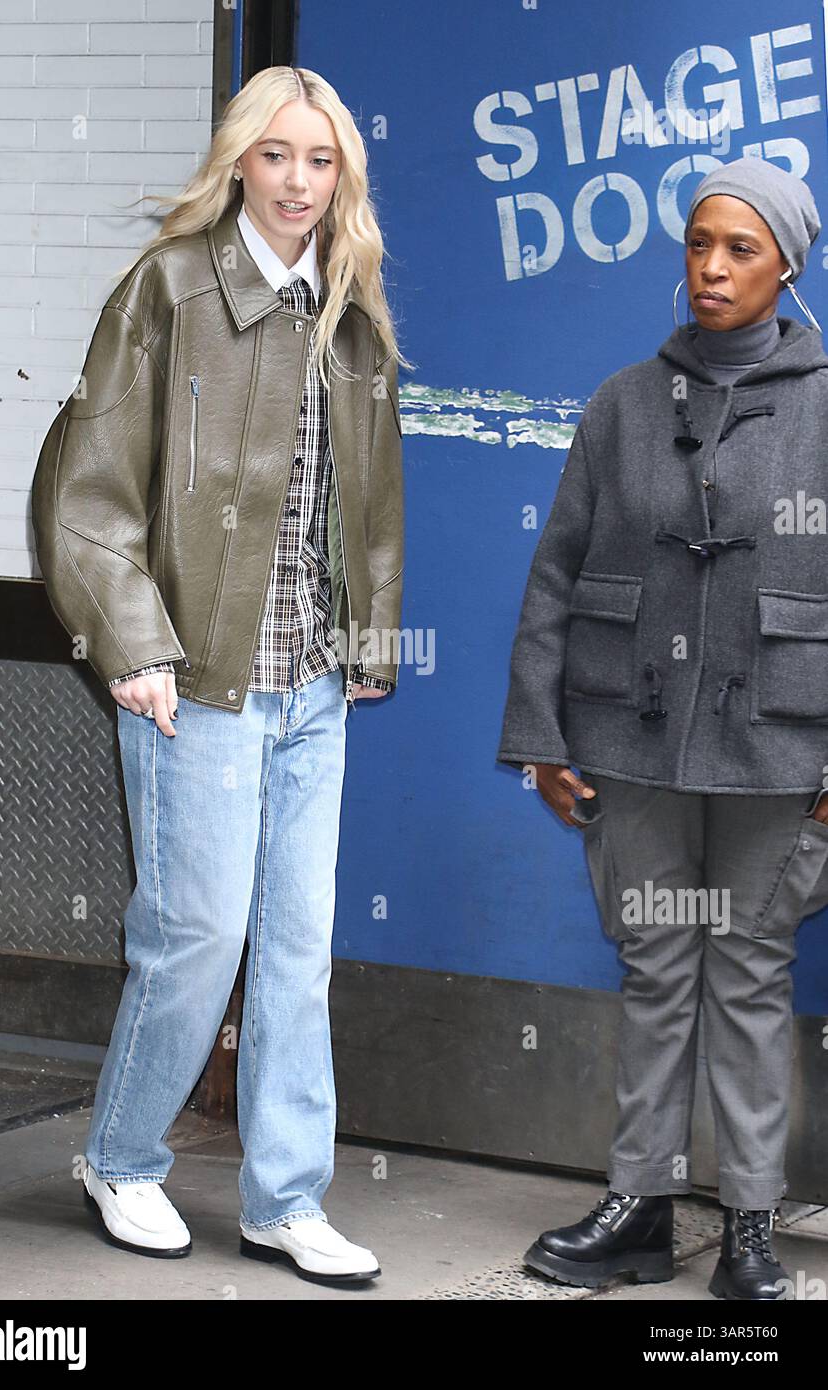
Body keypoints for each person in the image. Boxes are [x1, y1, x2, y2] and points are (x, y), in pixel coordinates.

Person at [32, 65, 406, 1288]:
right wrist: (131, 644)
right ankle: (122, 1155)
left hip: (309, 685)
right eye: (276, 156)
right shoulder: (170, 287)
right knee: (194, 934)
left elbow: (374, 496)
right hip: (193, 674)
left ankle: (285, 1197)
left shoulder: (350, 305)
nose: (299, 182)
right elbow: (84, 488)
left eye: (320, 159)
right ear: (238, 160)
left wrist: (366, 642)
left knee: (297, 948)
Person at [497, 156, 826, 1300]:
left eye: (739, 249)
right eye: (697, 245)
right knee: (654, 969)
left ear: (787, 262)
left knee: (745, 978)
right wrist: (540, 730)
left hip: (777, 748)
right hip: (630, 738)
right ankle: (637, 1203)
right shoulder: (624, 402)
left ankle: (745, 1226)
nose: (712, 268)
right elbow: (553, 577)